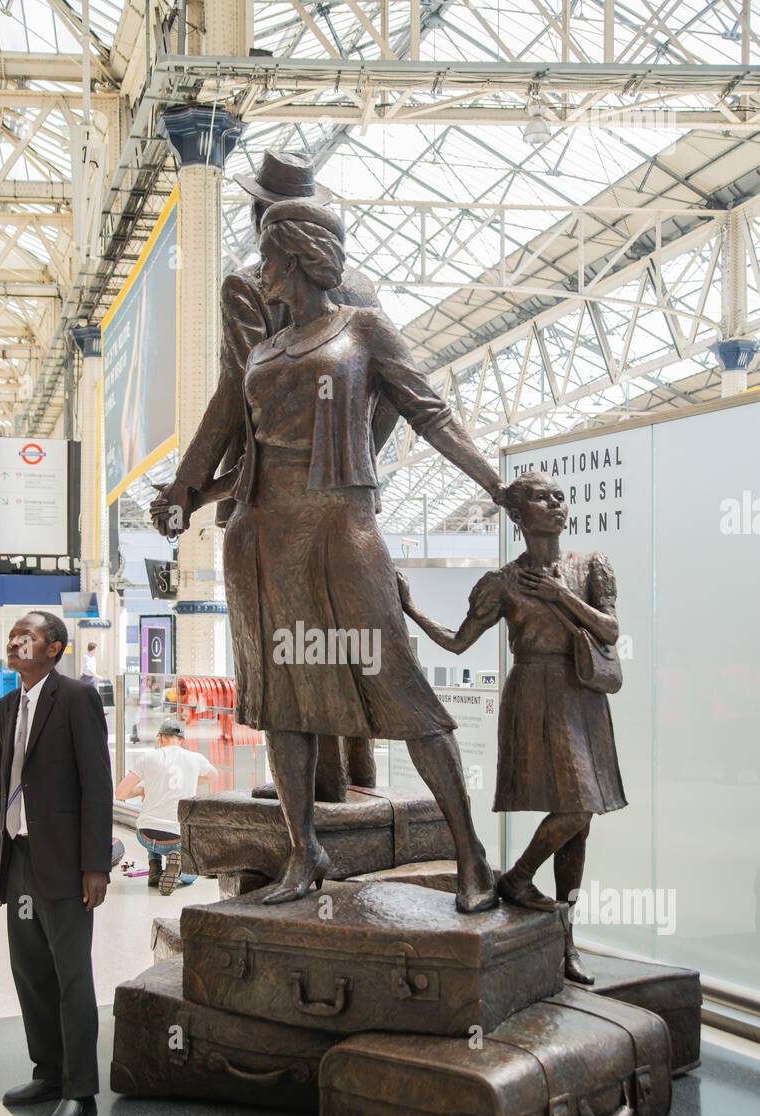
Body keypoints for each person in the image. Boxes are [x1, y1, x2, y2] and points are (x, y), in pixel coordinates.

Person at [170, 198, 505, 913]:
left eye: (267, 255)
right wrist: (183, 495)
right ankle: (304, 852)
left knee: (404, 691)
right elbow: (227, 427)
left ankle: (471, 855)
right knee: (284, 702)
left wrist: (497, 484)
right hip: (260, 536)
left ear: (295, 257)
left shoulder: (362, 329)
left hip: (339, 529)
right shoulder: (261, 352)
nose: (258, 269)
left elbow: (430, 412)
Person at [150, 150, 396, 802]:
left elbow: (237, 397)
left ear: (264, 214)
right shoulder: (362, 292)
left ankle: (315, 791)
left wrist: (186, 485)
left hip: (277, 503)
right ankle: (357, 776)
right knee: (346, 634)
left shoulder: (250, 284)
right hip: (351, 505)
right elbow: (396, 392)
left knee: (287, 642)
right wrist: (358, 455)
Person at [398, 471, 626, 980]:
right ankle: (522, 881)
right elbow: (458, 643)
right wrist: (409, 608)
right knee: (578, 809)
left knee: (580, 822)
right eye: (543, 498)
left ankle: (562, 935)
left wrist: (559, 594)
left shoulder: (589, 565)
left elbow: (609, 630)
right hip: (533, 693)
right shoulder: (501, 582)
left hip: (582, 692)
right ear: (519, 516)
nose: (557, 504)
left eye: (561, 496)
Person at [0, 610, 113, 1116]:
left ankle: (79, 1091)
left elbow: (97, 787)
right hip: (18, 858)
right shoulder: (8, 703)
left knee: (71, 975)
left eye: (27, 636)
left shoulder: (77, 699)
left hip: (63, 860)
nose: (15, 642)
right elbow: (3, 786)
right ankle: (49, 1072)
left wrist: (95, 864)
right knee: (31, 971)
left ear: (55, 648)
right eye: (13, 635)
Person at [115, 719, 216, 893]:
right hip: (176, 839)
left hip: (145, 835)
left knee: (152, 820)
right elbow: (213, 776)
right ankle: (177, 872)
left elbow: (120, 793)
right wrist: (191, 779)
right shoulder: (195, 758)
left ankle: (155, 868)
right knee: (192, 876)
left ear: (160, 738)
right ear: (182, 740)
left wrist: (141, 791)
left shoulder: (148, 757)